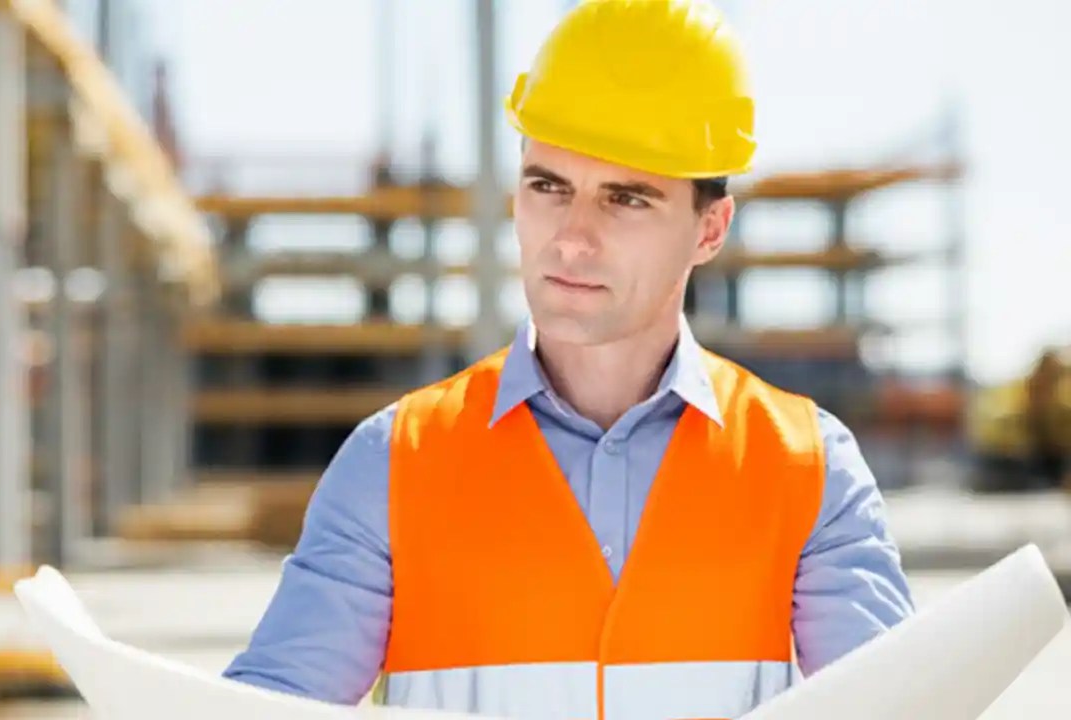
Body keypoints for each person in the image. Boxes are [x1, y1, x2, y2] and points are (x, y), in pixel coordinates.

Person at [224, 1, 914, 717]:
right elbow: (274, 705)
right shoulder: (395, 461)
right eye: (548, 186)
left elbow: (895, 708)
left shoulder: (807, 468)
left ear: (710, 229)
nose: (572, 239)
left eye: (626, 198)